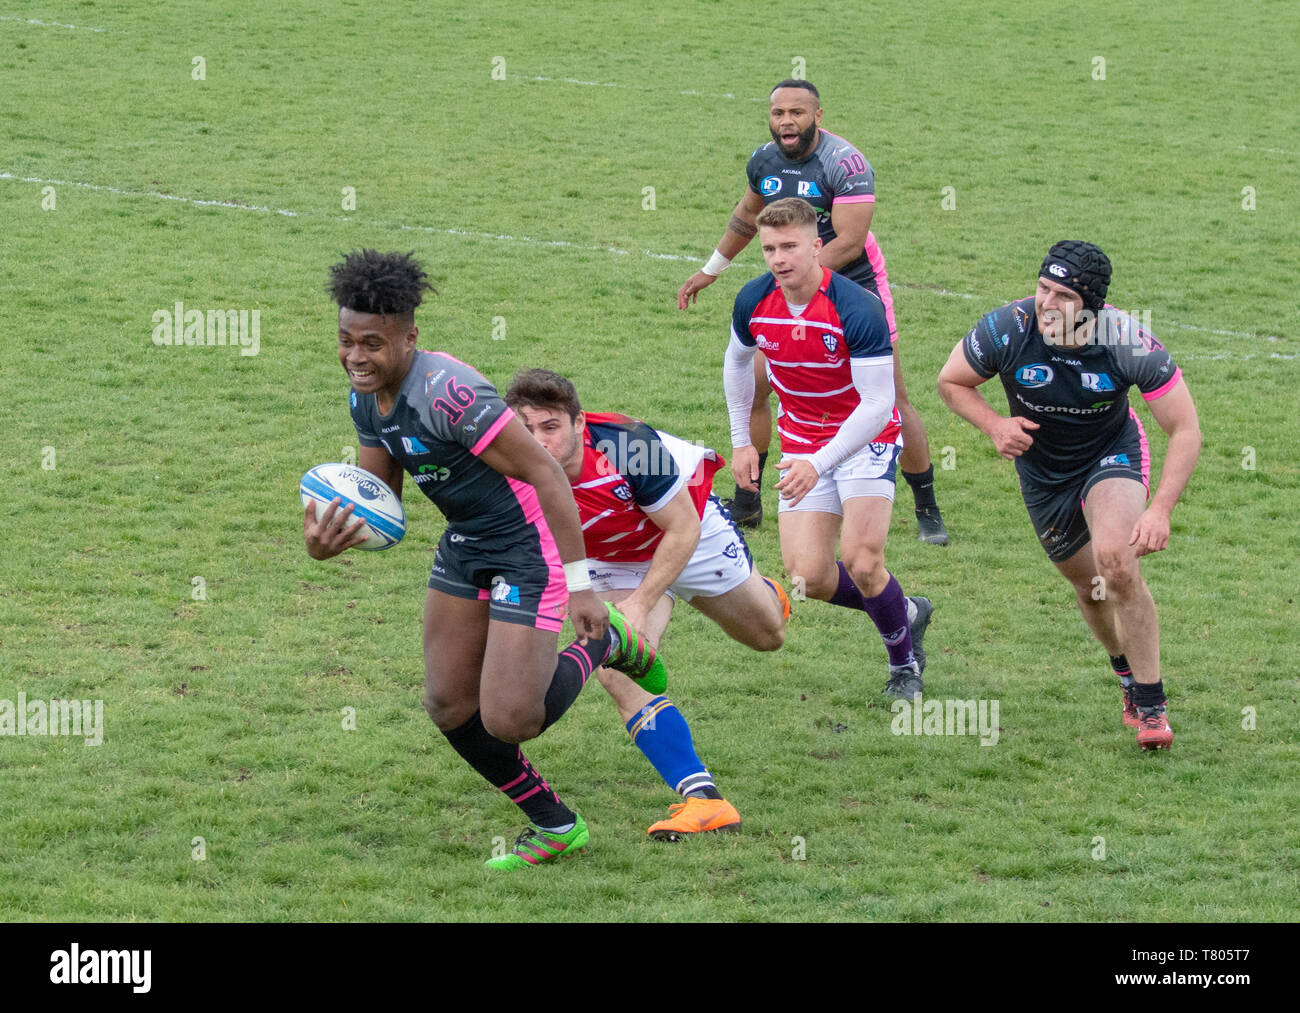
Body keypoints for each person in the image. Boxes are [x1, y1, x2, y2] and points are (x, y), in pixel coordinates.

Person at [304, 249, 667, 870]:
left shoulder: (451, 394)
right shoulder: (366, 399)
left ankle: (608, 644)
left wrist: (582, 589)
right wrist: (332, 537)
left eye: (372, 343)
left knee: (512, 719)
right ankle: (555, 824)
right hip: (466, 543)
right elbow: (382, 498)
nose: (357, 356)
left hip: (528, 548)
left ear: (409, 337)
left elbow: (548, 475)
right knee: (447, 704)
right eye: (345, 341)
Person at [936, 241, 1201, 750]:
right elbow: (951, 382)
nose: (1046, 303)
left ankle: (1151, 705)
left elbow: (1185, 429)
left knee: (1116, 565)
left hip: (1111, 454)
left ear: (1092, 307)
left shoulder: (1128, 342)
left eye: (1063, 295)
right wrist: (995, 425)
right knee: (1090, 587)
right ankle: (1124, 675)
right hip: (1042, 474)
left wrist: (1161, 509)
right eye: (1043, 288)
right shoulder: (1005, 329)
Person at [505, 368, 790, 839]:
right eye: (527, 429)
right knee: (616, 666)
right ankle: (705, 801)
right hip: (607, 557)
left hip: (687, 531)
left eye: (550, 426)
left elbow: (682, 528)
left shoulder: (626, 445)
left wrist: (641, 603)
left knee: (767, 636)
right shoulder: (509, 458)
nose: (537, 441)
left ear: (578, 424)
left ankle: (766, 594)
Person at [678, 78, 948, 545]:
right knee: (758, 385)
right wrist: (712, 269)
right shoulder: (764, 160)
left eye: (797, 113)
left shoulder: (845, 163)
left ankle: (926, 505)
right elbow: (746, 216)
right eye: (779, 112)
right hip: (792, 279)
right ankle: (748, 496)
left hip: (854, 284)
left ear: (817, 117)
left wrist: (796, 274)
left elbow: (850, 240)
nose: (787, 121)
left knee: (892, 400)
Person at [724, 198, 933, 700]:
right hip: (802, 443)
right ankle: (903, 610)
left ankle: (903, 666)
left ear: (817, 246)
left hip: (865, 441)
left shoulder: (857, 308)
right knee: (809, 577)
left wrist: (820, 463)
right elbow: (735, 365)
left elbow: (879, 404)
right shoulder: (753, 300)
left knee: (862, 561)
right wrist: (739, 441)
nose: (778, 258)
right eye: (770, 248)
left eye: (790, 246)